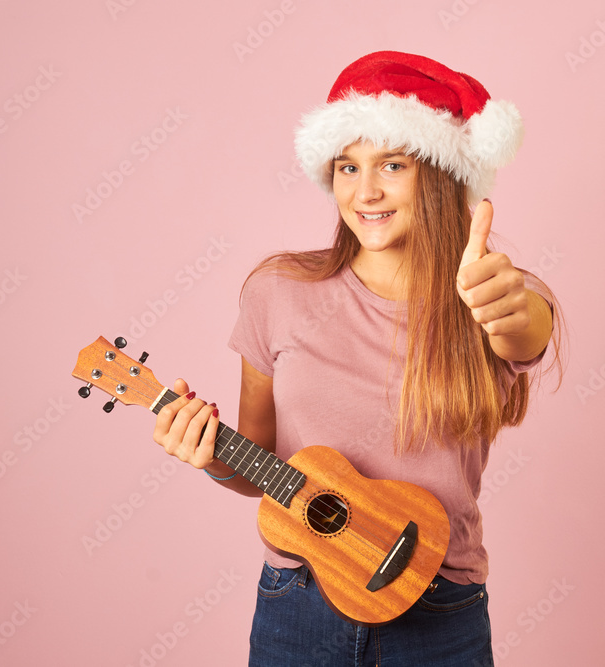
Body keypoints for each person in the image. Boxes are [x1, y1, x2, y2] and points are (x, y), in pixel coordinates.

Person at [152, 51, 564, 666]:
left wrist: (508, 307)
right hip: (298, 607)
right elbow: (258, 466)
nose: (364, 191)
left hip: (439, 609)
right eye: (348, 166)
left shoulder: (491, 294)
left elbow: (524, 332)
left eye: (392, 164)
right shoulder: (276, 293)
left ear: (441, 174)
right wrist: (210, 457)